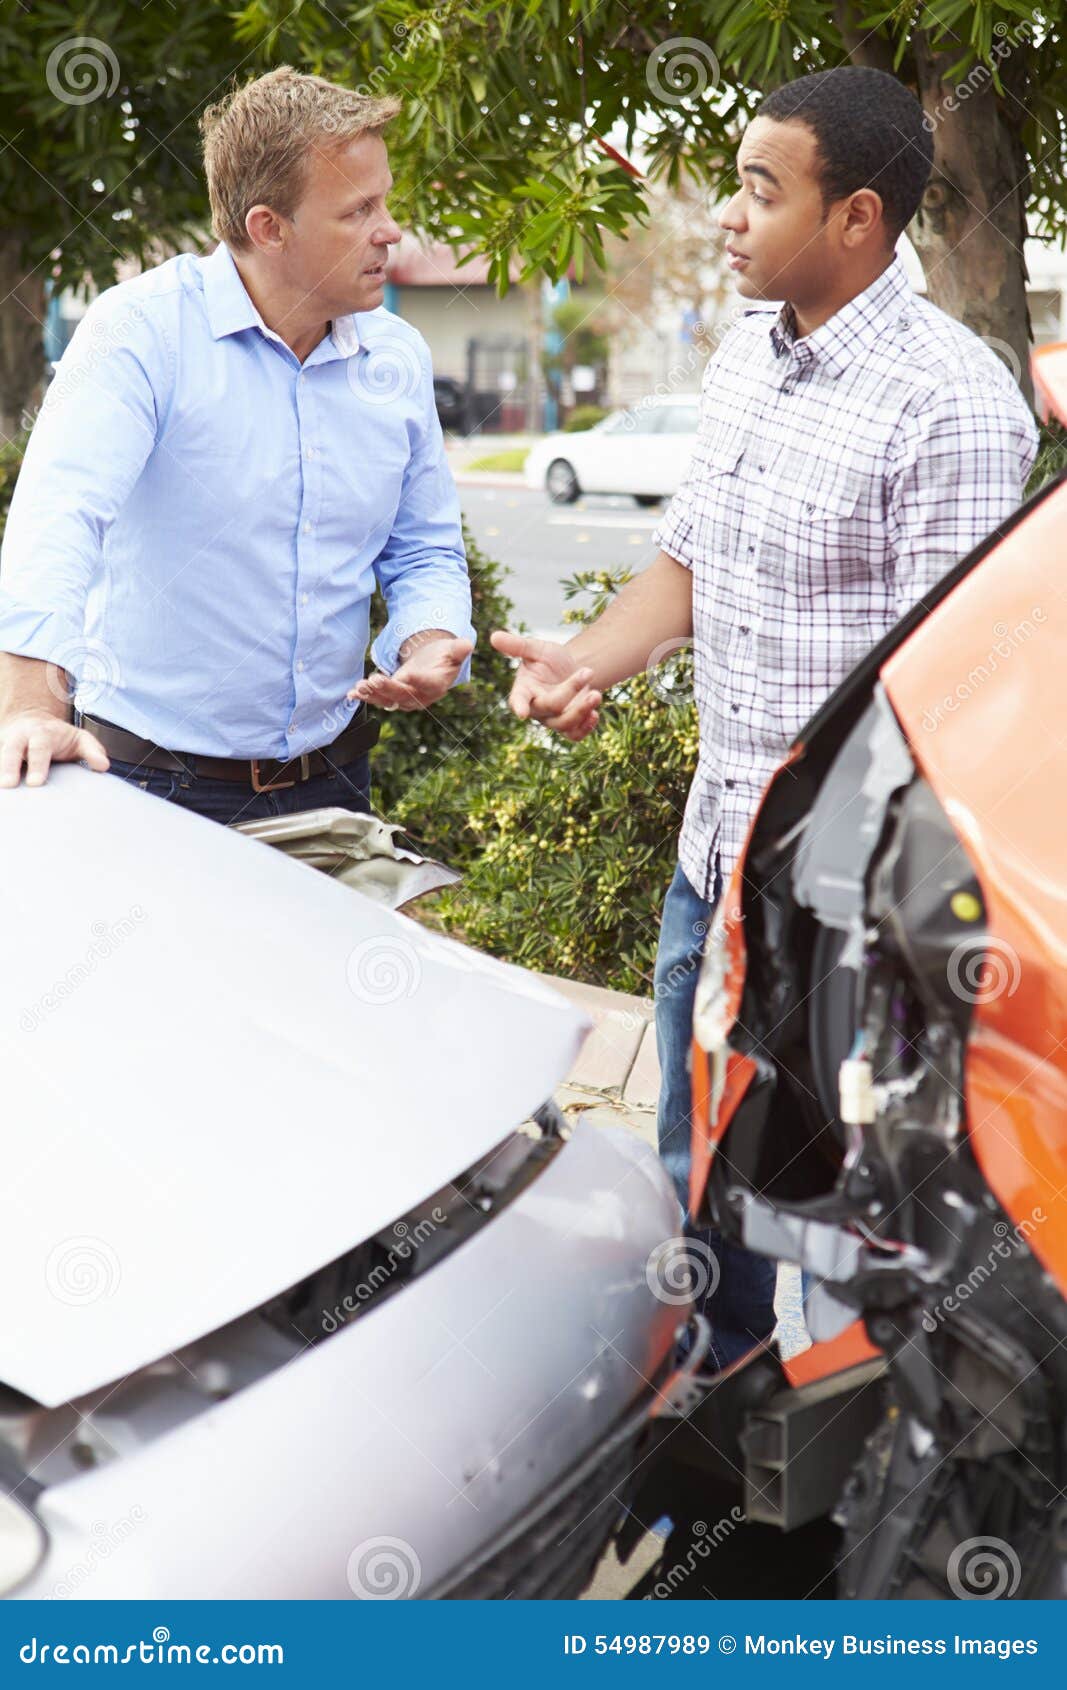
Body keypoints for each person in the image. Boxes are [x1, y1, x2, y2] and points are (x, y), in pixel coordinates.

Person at [492, 65, 1038, 1370]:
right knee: (698, 1196)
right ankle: (706, 1421)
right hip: (711, 872)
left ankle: (833, 1462)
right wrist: (583, 663)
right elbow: (687, 565)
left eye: (756, 190)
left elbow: (950, 701)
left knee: (849, 1253)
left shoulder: (951, 404)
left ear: (855, 217)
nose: (726, 217)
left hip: (848, 924)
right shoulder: (746, 351)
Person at [0, 67, 473, 822]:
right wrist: (29, 706)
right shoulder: (140, 332)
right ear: (268, 228)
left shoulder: (397, 356)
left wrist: (428, 636)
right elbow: (58, 521)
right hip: (151, 785)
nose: (391, 230)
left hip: (334, 783)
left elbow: (423, 548)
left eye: (385, 201)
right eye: (358, 210)